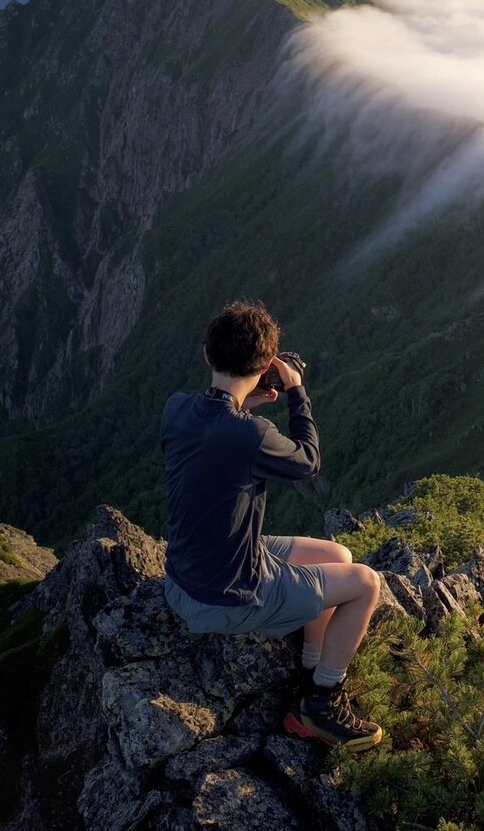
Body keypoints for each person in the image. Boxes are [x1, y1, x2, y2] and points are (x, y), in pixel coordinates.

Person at [160, 300, 384, 751]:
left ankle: (311, 661)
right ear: (266, 365)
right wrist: (297, 391)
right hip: (223, 599)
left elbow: (215, 439)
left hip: (185, 576)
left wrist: (251, 401)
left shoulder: (177, 408)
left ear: (207, 353)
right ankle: (321, 703)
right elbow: (308, 461)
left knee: (337, 556)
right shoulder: (252, 435)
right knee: (365, 583)